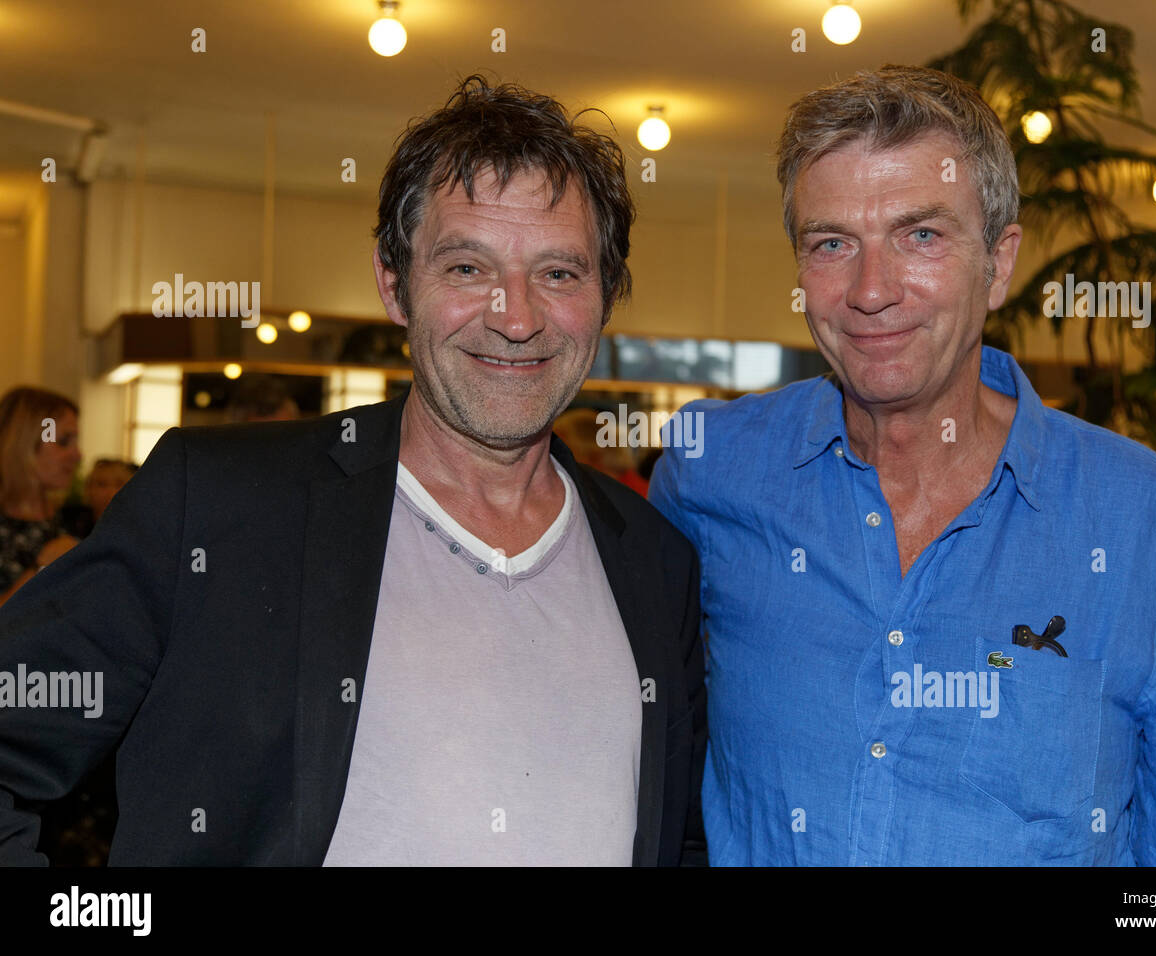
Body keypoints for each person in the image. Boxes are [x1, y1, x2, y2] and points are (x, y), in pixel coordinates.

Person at [0, 76, 705, 866]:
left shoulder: (654, 560)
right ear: (394, 283)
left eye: (560, 273)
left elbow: (677, 837)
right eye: (468, 268)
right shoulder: (220, 506)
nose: (516, 316)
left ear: (607, 296)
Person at [649, 66, 1156, 865]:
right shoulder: (711, 472)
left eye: (921, 236)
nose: (871, 291)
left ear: (998, 264)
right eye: (832, 244)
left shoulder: (1136, 517)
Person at [0, 387, 82, 608]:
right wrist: (43, 567)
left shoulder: (65, 519)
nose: (78, 454)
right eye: (63, 441)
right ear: (25, 443)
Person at [59, 458, 139, 540]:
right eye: (102, 484)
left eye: (119, 484)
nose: (111, 492)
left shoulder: (139, 529)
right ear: (88, 489)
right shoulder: (69, 521)